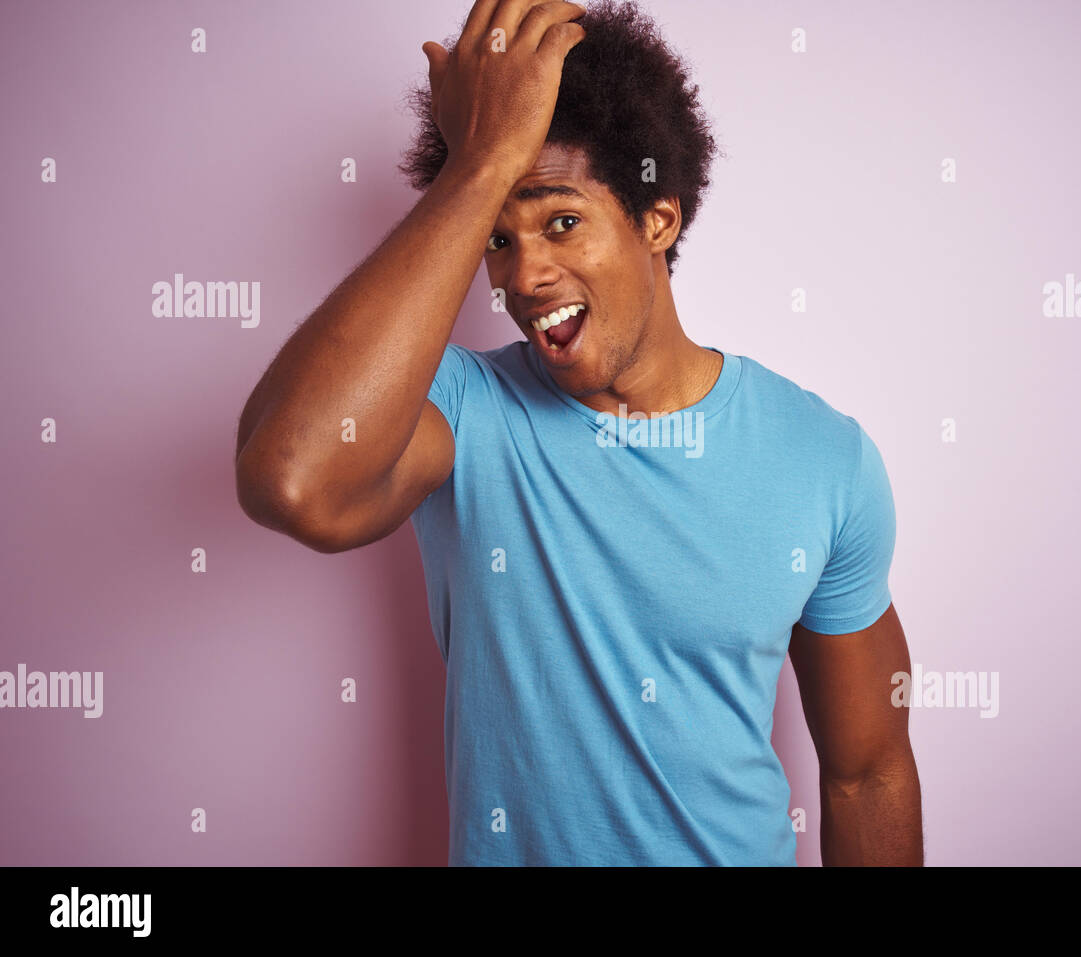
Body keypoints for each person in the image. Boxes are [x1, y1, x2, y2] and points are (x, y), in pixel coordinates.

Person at [235, 0, 922, 866]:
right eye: (497, 238)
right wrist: (477, 166)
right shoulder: (461, 409)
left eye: (561, 221)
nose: (524, 278)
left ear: (658, 219)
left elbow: (869, 771)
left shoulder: (824, 457)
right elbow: (291, 478)